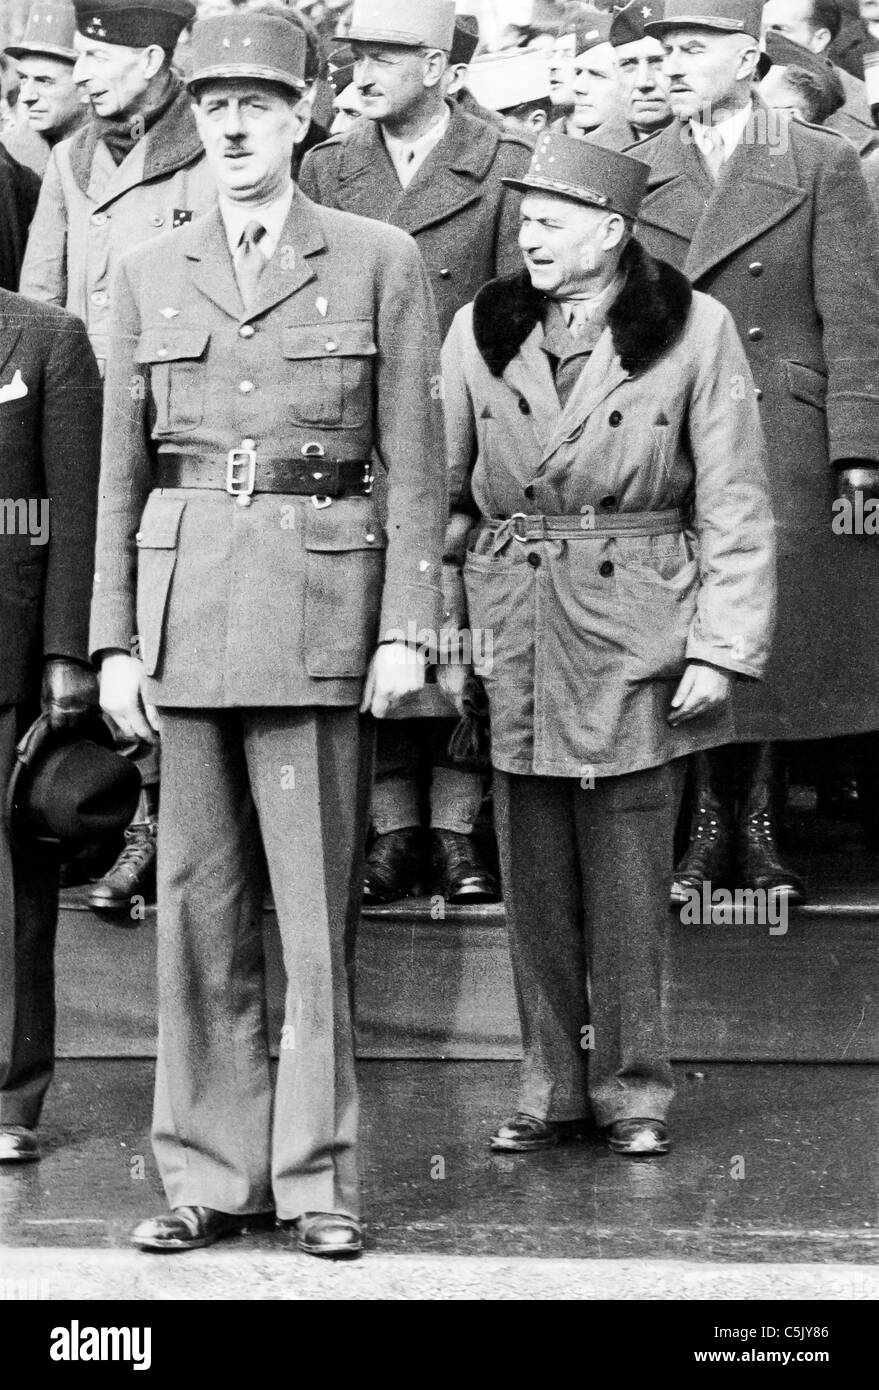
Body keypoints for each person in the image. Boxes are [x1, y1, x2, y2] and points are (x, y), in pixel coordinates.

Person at [90, 9, 446, 1257]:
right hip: (186, 618)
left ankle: (318, 1181)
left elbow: (413, 466)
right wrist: (114, 644)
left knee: (310, 914)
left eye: (259, 106)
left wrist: (411, 626)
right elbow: (117, 481)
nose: (233, 126)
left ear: (306, 117)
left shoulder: (377, 257)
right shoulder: (145, 266)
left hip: (318, 617)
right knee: (193, 913)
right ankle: (204, 1174)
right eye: (215, 106)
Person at [441, 132, 776, 1158]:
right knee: (532, 871)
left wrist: (719, 647)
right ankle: (549, 1083)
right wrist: (444, 630)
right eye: (525, 216)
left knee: (631, 876)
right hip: (514, 625)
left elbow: (735, 499)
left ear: (614, 232)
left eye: (552, 218)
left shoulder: (694, 328)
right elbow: (438, 497)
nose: (529, 234)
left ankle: (636, 1089)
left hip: (639, 621)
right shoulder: (480, 328)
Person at [634, 0, 879, 905]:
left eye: (692, 50)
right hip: (672, 416)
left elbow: (849, 309)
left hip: (782, 414)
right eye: (664, 51)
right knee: (688, 606)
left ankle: (760, 814)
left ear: (745, 58)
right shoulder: (639, 166)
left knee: (775, 615)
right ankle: (701, 816)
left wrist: (856, 446)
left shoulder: (816, 160)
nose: (671, 67)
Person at [301, 0, 532, 907]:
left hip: (466, 428)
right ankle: (393, 829)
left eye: (388, 56)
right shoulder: (328, 164)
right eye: (357, 54)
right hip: (359, 427)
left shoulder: (506, 163)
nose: (362, 73)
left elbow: (523, 314)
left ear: (438, 66)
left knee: (463, 630)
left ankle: (456, 828)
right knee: (376, 623)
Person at [20, 0, 216, 914]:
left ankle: (158, 829)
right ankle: (100, 808)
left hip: (171, 421)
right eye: (78, 59)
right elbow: (39, 298)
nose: (83, 75)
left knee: (168, 619)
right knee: (95, 613)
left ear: (152, 55)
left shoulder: (208, 149)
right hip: (76, 421)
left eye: (98, 58)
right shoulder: (68, 158)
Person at [0, 293, 103, 1164]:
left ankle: (8, 1099)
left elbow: (73, 510)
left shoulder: (46, 338)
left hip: (8, 649)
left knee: (10, 893)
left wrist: (67, 648)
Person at [762, 0, 879, 155]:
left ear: (820, 40)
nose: (765, 41)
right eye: (761, 31)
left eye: (779, 30)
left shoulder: (864, 115)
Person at [2, 1, 87, 178]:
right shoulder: (9, 153)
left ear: (86, 86)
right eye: (23, 79)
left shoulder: (117, 152)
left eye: (44, 81)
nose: (26, 96)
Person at [589, 0, 673, 148]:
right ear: (615, 71)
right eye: (628, 64)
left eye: (658, 62)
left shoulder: (711, 140)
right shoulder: (591, 151)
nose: (643, 82)